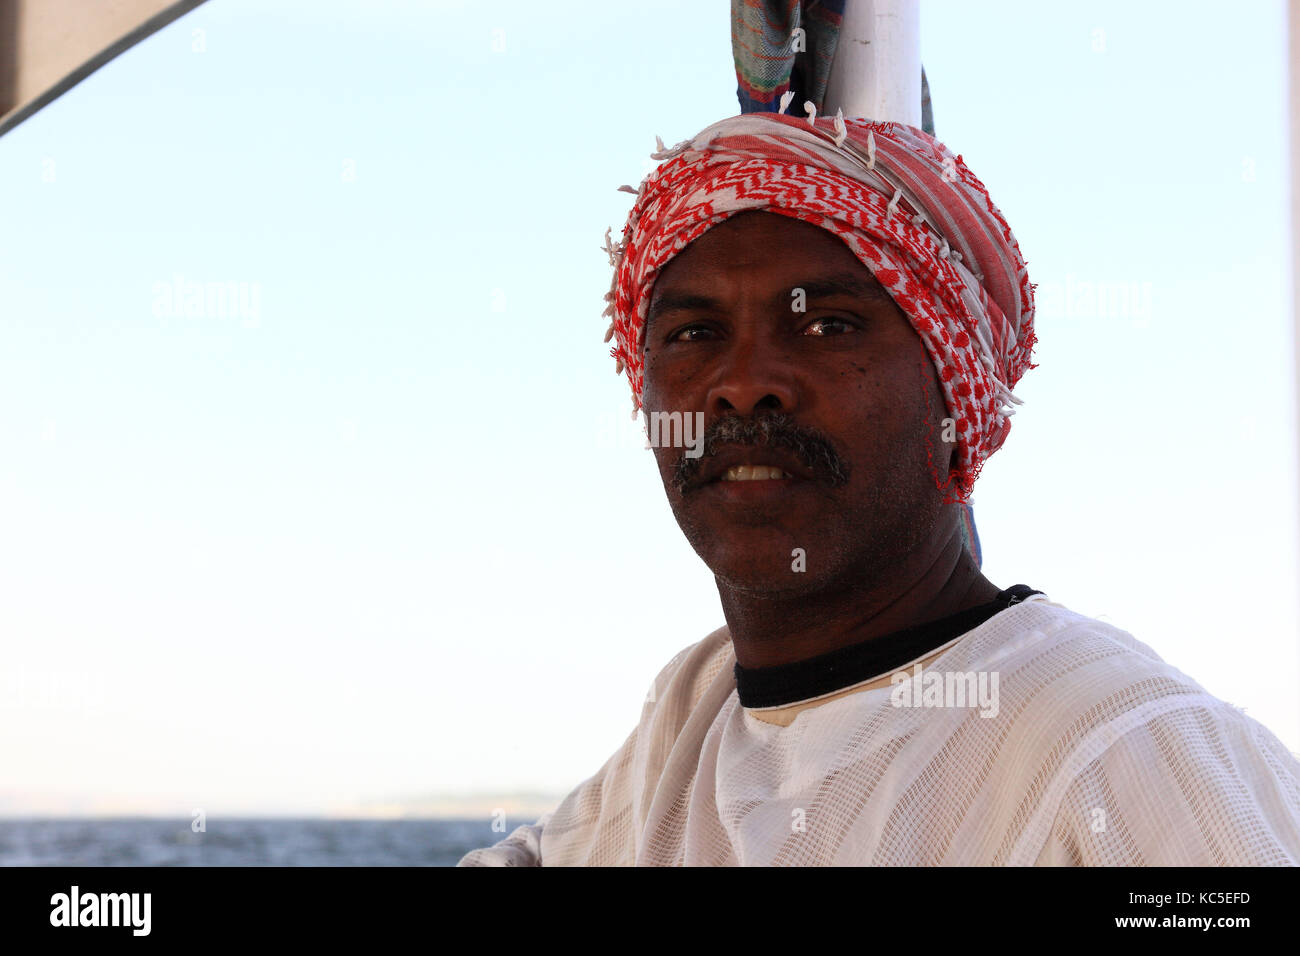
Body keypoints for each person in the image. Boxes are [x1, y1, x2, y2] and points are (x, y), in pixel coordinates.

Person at [457, 109, 1300, 866]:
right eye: (694, 333)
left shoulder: (1120, 746)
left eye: (828, 325)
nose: (743, 385)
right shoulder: (692, 719)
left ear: (954, 389)